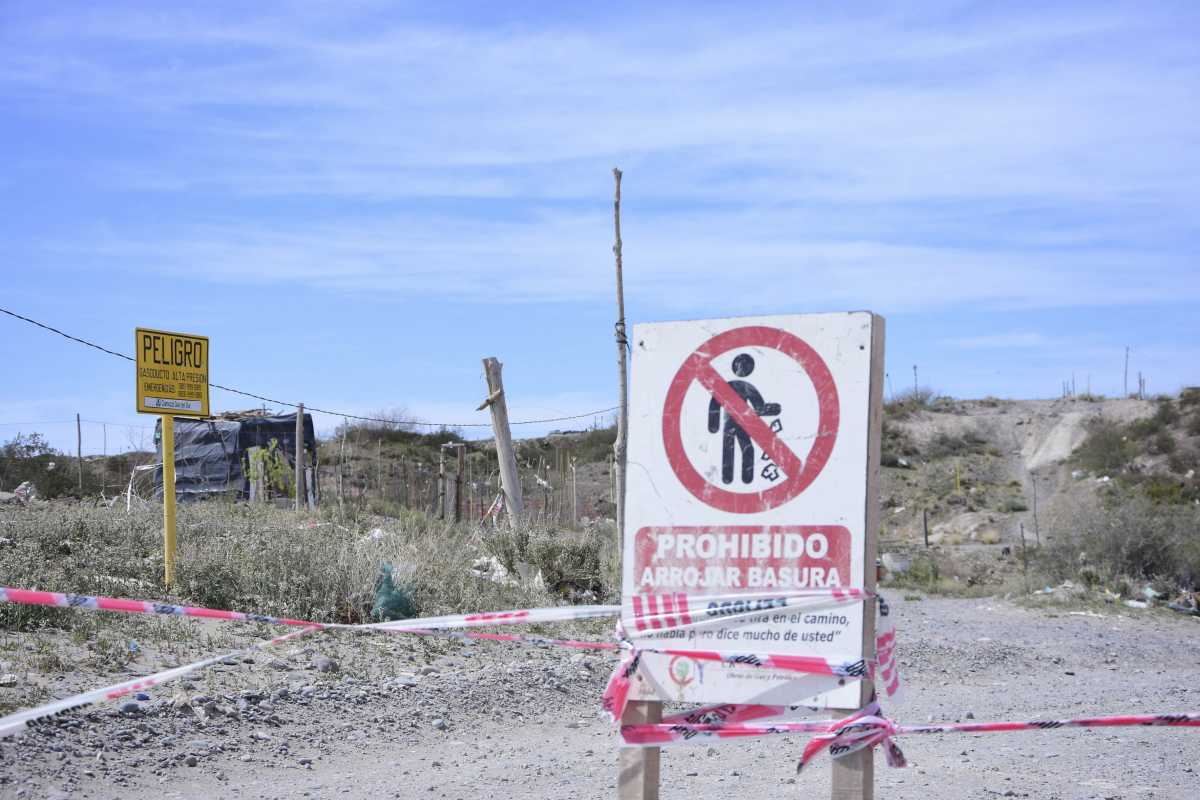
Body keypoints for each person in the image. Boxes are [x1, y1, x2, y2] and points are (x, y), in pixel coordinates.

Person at [707, 353, 781, 484]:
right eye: (740, 365)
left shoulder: (746, 386)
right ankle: (731, 477)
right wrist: (713, 425)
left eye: (744, 366)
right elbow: (715, 403)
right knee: (732, 448)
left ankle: (743, 478)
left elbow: (759, 406)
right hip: (733, 422)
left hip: (741, 423)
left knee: (743, 448)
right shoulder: (738, 386)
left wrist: (772, 409)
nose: (741, 369)